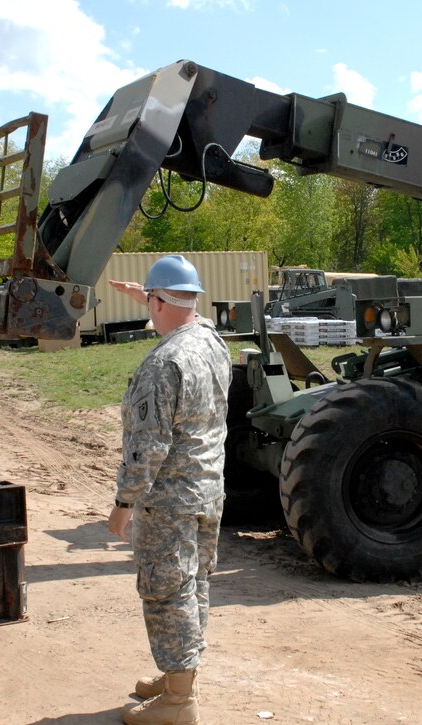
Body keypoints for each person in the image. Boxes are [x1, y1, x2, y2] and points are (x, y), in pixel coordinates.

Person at [107, 255, 231, 725]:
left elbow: (147, 446)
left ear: (159, 302)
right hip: (206, 493)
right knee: (193, 584)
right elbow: (180, 308)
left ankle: (179, 702)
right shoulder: (211, 342)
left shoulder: (164, 363)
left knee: (167, 592)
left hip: (169, 500)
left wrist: (124, 504)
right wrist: (149, 293)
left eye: (151, 300)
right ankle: (181, 678)